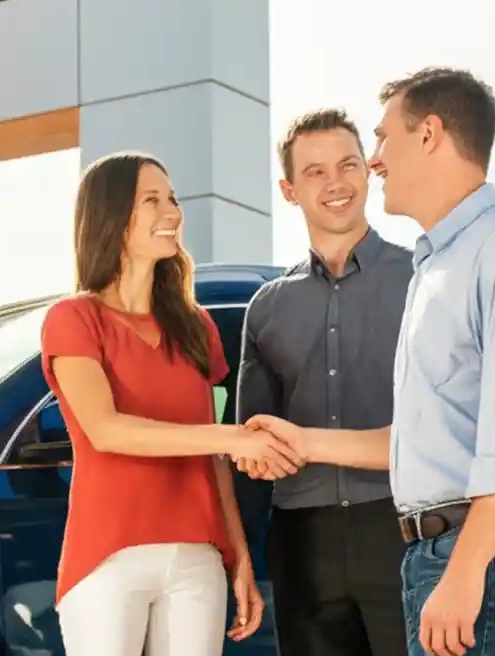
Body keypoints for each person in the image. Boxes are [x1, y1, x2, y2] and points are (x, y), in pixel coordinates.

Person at [244, 67, 495, 656]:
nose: (374, 161)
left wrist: (466, 570)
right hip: (440, 552)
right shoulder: (439, 266)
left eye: (380, 140)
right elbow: (419, 439)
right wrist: (302, 441)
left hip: (485, 553)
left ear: (428, 135)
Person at [40, 150, 301, 655]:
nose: (173, 212)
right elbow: (107, 430)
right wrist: (230, 434)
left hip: (196, 558)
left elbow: (215, 460)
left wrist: (238, 557)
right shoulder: (73, 320)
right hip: (108, 558)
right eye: (152, 200)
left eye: (173, 199)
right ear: (112, 216)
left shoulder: (197, 327)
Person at [234, 108, 412, 656]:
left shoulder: (424, 279)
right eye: (314, 172)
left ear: (367, 171)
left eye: (348, 164)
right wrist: (241, 555)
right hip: (302, 542)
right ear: (289, 191)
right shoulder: (267, 308)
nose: (336, 183)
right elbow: (248, 444)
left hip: (405, 530)